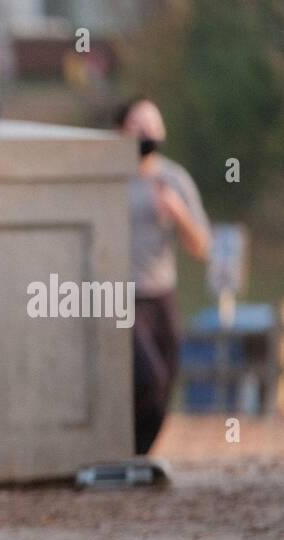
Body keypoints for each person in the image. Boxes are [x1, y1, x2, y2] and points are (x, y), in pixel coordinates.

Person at [115, 97, 211, 455]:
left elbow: (201, 247)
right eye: (139, 128)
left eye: (154, 127)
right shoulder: (107, 178)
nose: (148, 135)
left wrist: (178, 213)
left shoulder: (173, 179)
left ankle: (139, 456)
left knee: (167, 380)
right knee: (148, 377)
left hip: (161, 294)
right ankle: (130, 452)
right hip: (118, 296)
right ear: (120, 131)